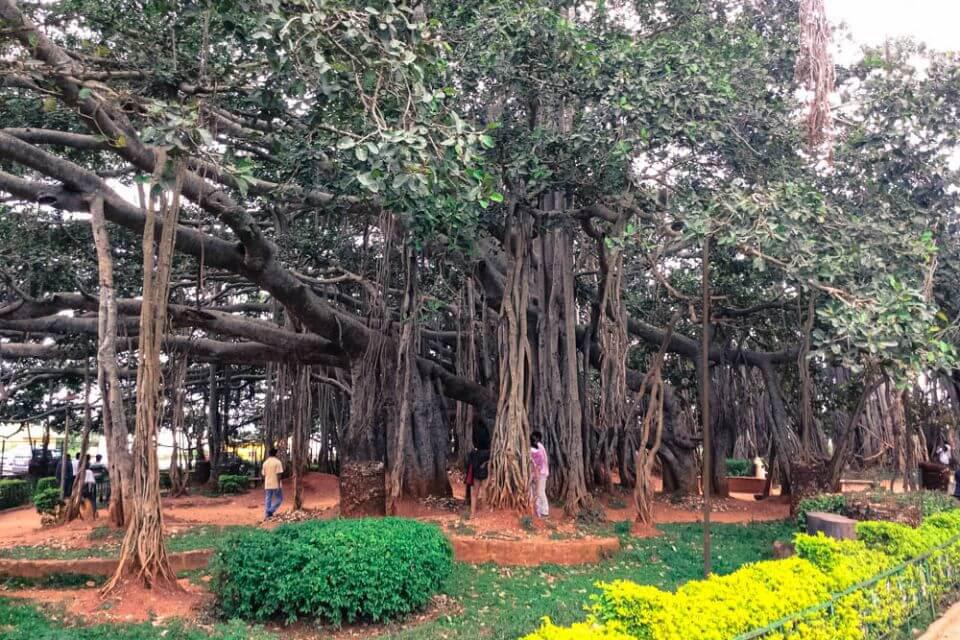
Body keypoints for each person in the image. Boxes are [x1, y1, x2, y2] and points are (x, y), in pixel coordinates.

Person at [465, 429, 491, 518]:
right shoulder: (488, 453)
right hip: (485, 474)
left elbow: (469, 464)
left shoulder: (473, 453)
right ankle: (484, 512)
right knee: (484, 492)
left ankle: (472, 513)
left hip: (475, 475)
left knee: (474, 494)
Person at [529, 431, 550, 519]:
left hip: (541, 473)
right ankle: (538, 511)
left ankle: (545, 511)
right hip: (537, 473)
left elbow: (539, 461)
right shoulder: (538, 446)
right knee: (535, 492)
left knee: (540, 491)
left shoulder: (537, 448)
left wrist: (537, 470)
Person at [262, 448, 284, 520]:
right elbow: (279, 474)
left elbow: (263, 474)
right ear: (276, 454)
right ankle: (270, 511)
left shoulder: (265, 463)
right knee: (279, 499)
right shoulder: (278, 462)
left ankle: (267, 515)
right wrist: (278, 485)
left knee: (268, 499)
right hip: (275, 484)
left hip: (267, 483)